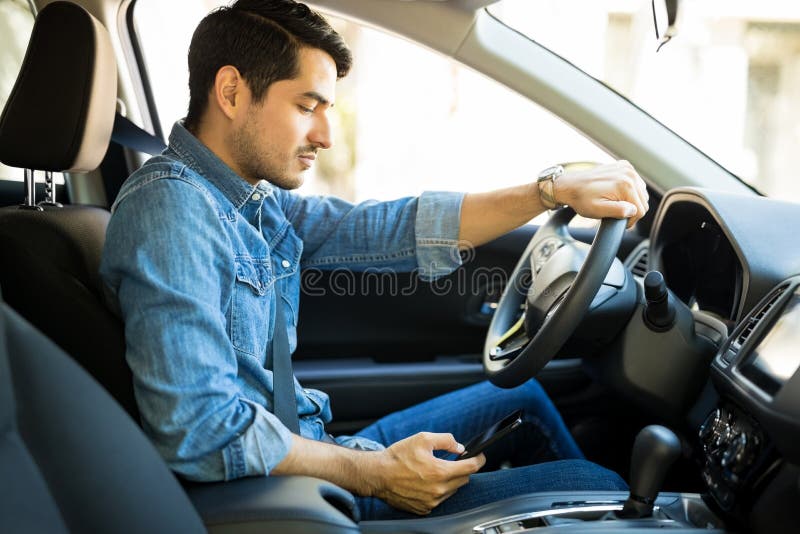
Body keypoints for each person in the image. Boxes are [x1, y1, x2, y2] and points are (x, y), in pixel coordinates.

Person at [100, 0, 649, 520]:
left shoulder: (248, 200)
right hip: (292, 494)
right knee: (599, 489)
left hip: (316, 452)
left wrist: (549, 191)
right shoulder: (171, 208)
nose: (326, 135)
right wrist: (374, 473)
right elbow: (198, 428)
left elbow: (386, 228)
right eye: (306, 106)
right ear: (231, 91)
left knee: (525, 399)